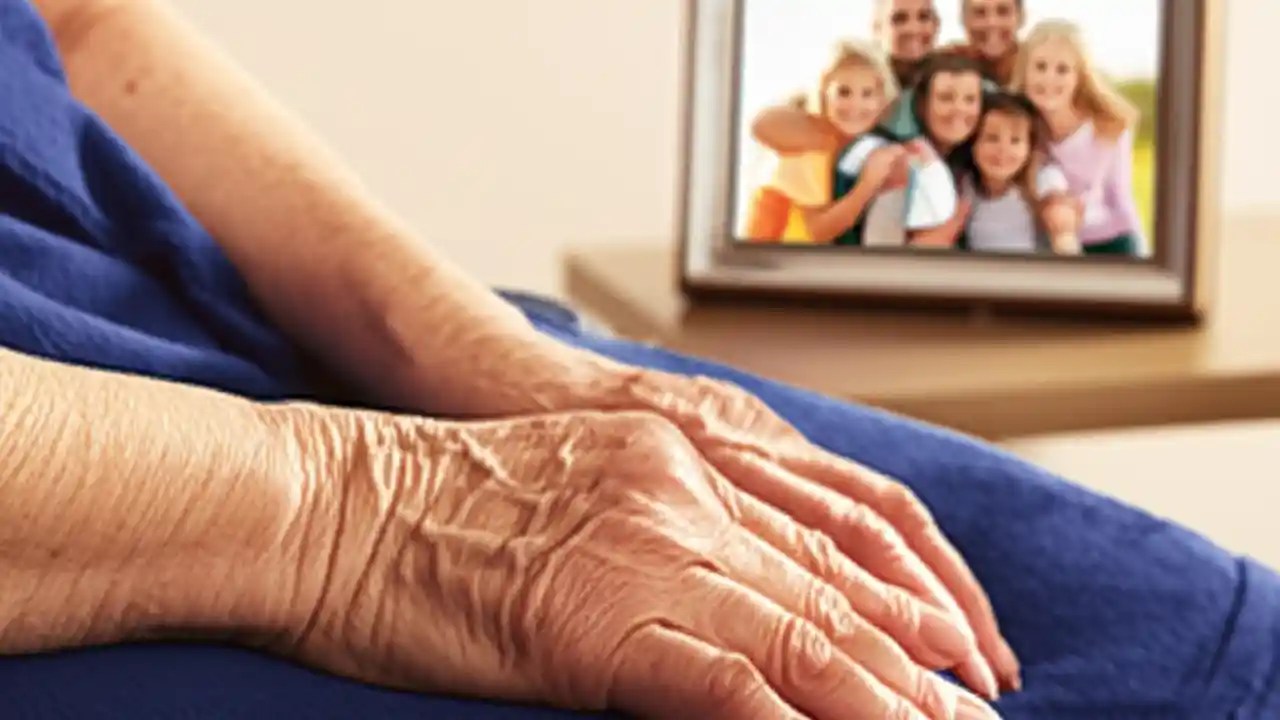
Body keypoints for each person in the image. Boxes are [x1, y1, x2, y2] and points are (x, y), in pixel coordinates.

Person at [1, 2, 1277, 720]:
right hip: (103, 525)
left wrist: (475, 353)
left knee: (1205, 651)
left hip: (222, 318)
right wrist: (366, 521)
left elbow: (80, 28)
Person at [740, 40, 906, 245]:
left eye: (867, 93)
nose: (856, 105)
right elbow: (818, 231)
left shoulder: (855, 147)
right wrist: (868, 184)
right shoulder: (807, 148)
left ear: (882, 101)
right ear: (824, 93)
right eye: (844, 92)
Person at [1009, 20, 1148, 257]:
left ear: (1078, 78)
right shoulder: (1021, 129)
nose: (1049, 79)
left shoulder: (1108, 128)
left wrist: (1143, 260)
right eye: (1040, 67)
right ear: (1025, 71)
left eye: (1062, 70)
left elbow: (1121, 198)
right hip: (1049, 247)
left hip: (1111, 243)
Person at [962, 92, 1081, 254]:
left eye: (1015, 140)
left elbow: (1064, 231)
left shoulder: (1043, 181)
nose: (1003, 150)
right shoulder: (967, 187)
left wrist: (1062, 225)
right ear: (973, 143)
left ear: (1029, 148)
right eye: (992, 138)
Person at [937, 0, 1026, 88]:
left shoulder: (1034, 68)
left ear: (1021, 17)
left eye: (1003, 12)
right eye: (980, 12)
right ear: (964, 19)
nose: (992, 23)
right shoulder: (941, 68)